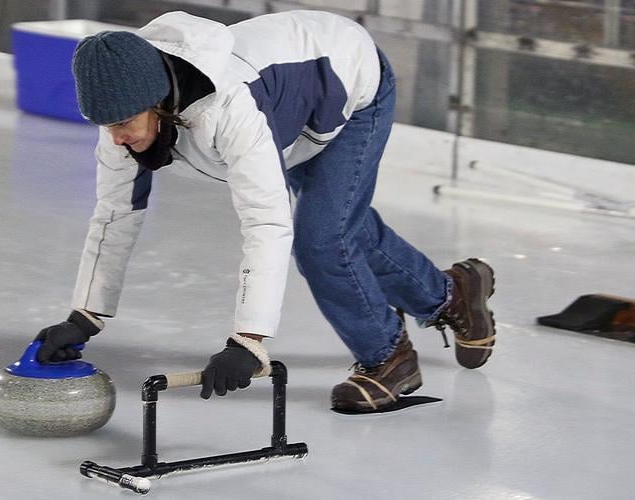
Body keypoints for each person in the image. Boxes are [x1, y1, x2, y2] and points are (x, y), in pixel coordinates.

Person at [34, 10, 496, 413]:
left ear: (157, 103)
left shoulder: (230, 108)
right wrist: (85, 316)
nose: (115, 138)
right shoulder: (121, 109)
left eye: (123, 125)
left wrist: (248, 340)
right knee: (337, 221)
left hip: (349, 83)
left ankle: (388, 357)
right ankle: (451, 293)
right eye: (105, 126)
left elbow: (265, 221)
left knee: (323, 239)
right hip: (290, 105)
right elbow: (115, 213)